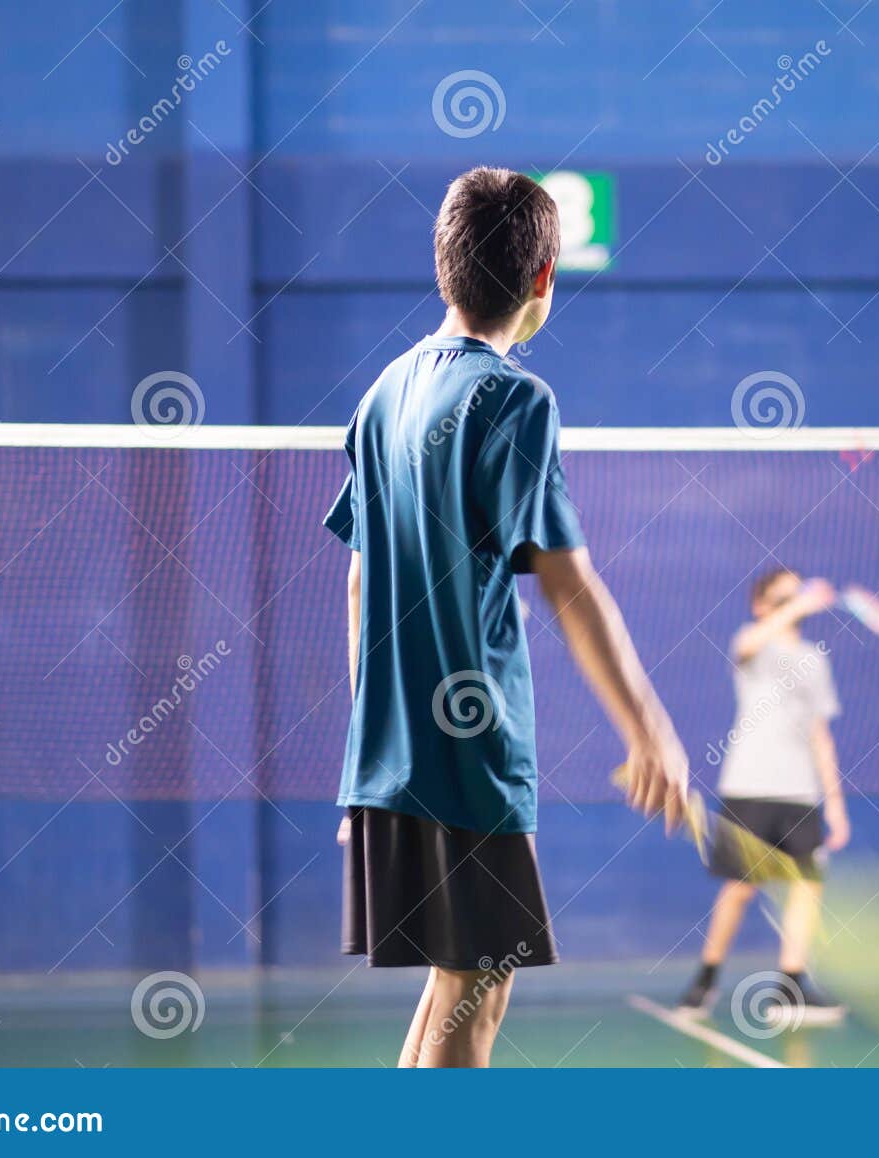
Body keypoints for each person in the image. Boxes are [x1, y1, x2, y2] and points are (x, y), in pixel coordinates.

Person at [325, 167, 689, 1067]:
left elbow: (360, 582)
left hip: (394, 752)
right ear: (543, 280)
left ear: (442, 270)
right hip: (471, 752)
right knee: (478, 992)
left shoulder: (382, 395)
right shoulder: (516, 399)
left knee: (457, 984)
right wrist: (650, 731)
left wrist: (367, 755)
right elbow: (568, 585)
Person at [677, 568, 851, 1025]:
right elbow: (748, 646)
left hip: (800, 792)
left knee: (807, 885)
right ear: (761, 603)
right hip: (750, 786)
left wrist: (835, 805)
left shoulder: (815, 658)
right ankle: (705, 981)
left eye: (796, 592)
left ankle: (790, 986)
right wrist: (801, 602)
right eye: (783, 594)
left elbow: (820, 735)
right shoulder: (752, 642)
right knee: (740, 889)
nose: (793, 599)